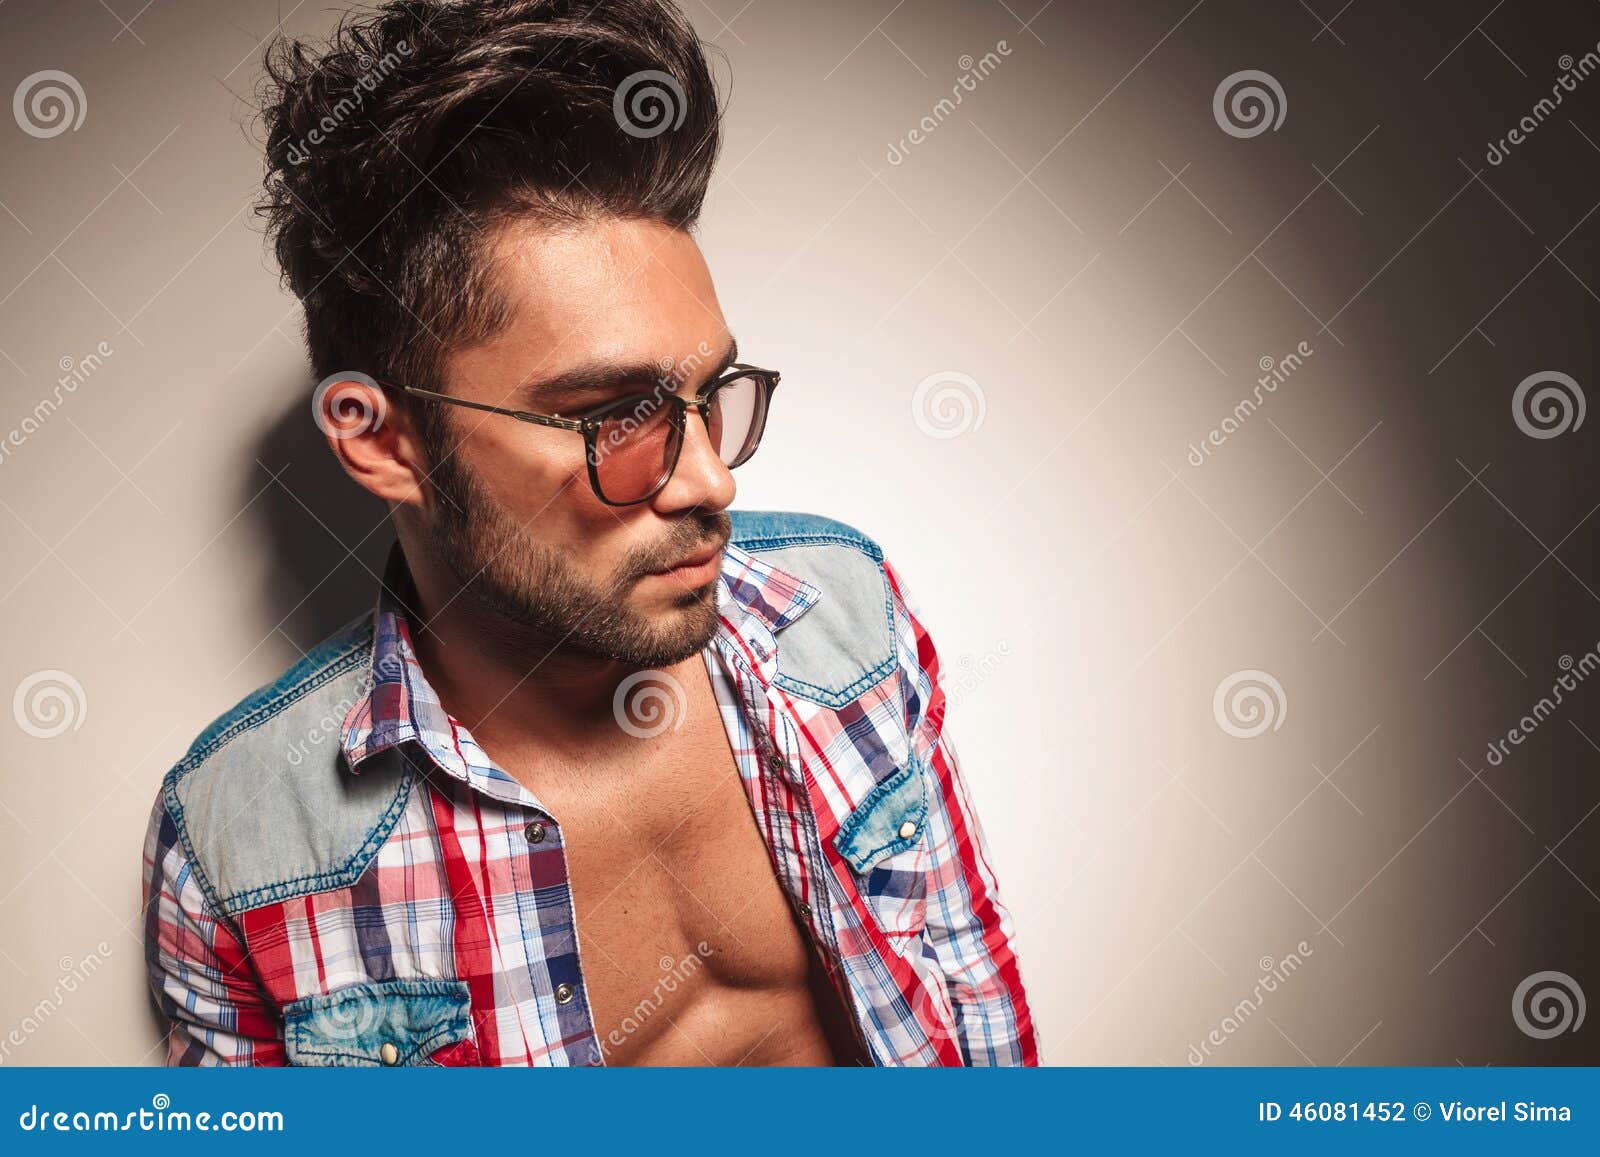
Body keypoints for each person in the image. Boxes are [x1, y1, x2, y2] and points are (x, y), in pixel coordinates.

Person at [141, 0, 1037, 1067]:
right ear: (385, 443)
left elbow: (981, 1029)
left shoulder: (840, 617)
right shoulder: (243, 844)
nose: (708, 475)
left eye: (710, 394)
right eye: (614, 415)